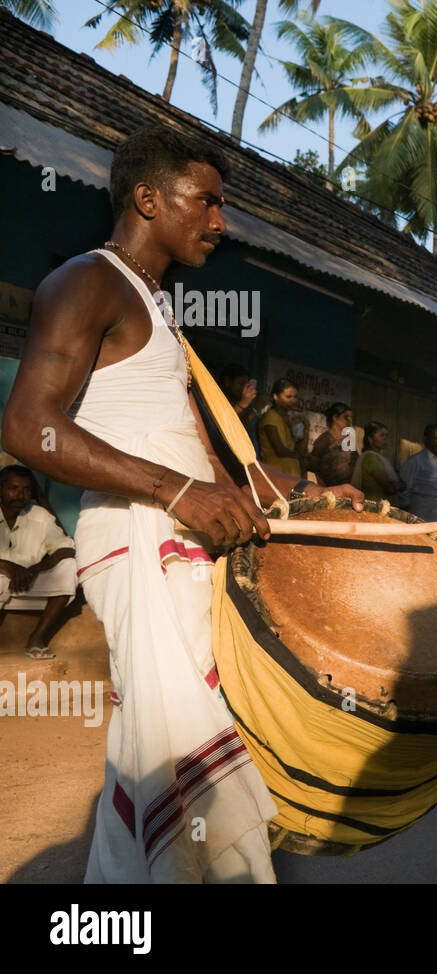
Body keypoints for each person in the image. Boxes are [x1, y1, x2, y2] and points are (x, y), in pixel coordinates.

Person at [2, 124, 364, 883]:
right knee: (189, 752)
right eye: (206, 201)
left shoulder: (155, 304)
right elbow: (27, 425)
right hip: (138, 536)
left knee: (159, 745)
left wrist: (305, 494)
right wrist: (177, 490)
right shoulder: (87, 280)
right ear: (147, 198)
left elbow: (201, 455)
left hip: (174, 537)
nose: (219, 221)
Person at [0, 465, 76, 659]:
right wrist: (8, 567)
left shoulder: (39, 515)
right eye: (13, 488)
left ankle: (37, 638)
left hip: (25, 586)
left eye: (26, 490)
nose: (20, 495)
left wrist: (34, 570)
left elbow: (66, 547)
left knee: (69, 565)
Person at [399, 424, 437, 528]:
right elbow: (404, 487)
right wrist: (406, 512)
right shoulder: (415, 461)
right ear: (426, 439)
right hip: (426, 515)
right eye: (436, 438)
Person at [257, 378, 302, 476]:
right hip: (276, 474)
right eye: (288, 397)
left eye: (295, 397)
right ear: (275, 397)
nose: (293, 400)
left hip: (290, 474)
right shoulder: (271, 417)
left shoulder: (288, 419)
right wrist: (299, 457)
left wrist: (306, 427)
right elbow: (280, 450)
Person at [306, 401, 356, 487]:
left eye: (351, 418)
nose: (350, 421)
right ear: (335, 418)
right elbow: (311, 466)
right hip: (328, 489)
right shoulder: (325, 440)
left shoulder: (348, 440)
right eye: (346, 417)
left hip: (346, 488)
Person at [353, 421, 401, 503]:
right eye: (382, 435)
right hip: (376, 507)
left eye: (386, 435)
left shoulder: (378, 457)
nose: (385, 438)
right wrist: (400, 485)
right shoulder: (371, 458)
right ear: (370, 439)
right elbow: (389, 488)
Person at [218, 362, 261, 452]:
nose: (244, 388)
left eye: (247, 385)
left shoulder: (240, 403)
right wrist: (243, 404)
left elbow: (240, 426)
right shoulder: (215, 398)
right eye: (241, 383)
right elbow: (222, 422)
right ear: (227, 382)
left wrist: (255, 408)